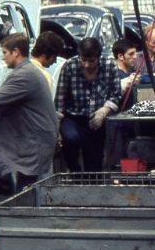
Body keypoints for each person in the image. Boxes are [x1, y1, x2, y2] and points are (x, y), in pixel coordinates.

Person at [0, 34, 57, 193]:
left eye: (5, 52)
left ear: (16, 52)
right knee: (26, 188)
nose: (3, 57)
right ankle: (5, 180)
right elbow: (11, 102)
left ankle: (5, 182)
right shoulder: (28, 71)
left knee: (27, 191)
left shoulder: (24, 75)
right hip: (37, 136)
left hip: (35, 140)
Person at [56, 37, 121, 172]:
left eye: (91, 61)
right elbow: (60, 100)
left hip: (96, 118)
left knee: (94, 163)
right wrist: (57, 127)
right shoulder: (69, 66)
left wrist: (105, 110)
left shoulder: (110, 66)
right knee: (70, 140)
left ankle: (92, 185)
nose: (86, 65)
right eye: (83, 60)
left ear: (98, 57)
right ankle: (75, 175)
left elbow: (116, 95)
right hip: (73, 117)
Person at [107, 39, 138, 168]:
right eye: (131, 54)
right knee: (117, 163)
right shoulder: (113, 75)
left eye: (135, 53)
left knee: (130, 161)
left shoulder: (131, 73)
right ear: (120, 56)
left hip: (130, 123)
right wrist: (125, 84)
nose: (135, 57)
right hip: (116, 124)